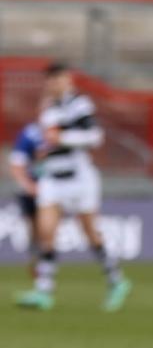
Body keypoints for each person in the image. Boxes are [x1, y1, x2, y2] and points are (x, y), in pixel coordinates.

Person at [14, 63, 131, 313]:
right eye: (51, 80)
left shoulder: (80, 105)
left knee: (90, 233)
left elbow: (94, 137)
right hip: (53, 179)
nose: (54, 84)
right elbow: (47, 142)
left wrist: (63, 138)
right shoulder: (48, 109)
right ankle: (44, 291)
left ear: (68, 80)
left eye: (58, 79)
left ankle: (116, 280)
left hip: (79, 179)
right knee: (46, 232)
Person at [8, 121, 43, 274]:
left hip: (53, 188)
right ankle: (36, 259)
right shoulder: (30, 133)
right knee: (33, 225)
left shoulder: (65, 131)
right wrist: (28, 186)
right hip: (31, 188)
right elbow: (16, 164)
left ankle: (45, 262)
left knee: (46, 225)